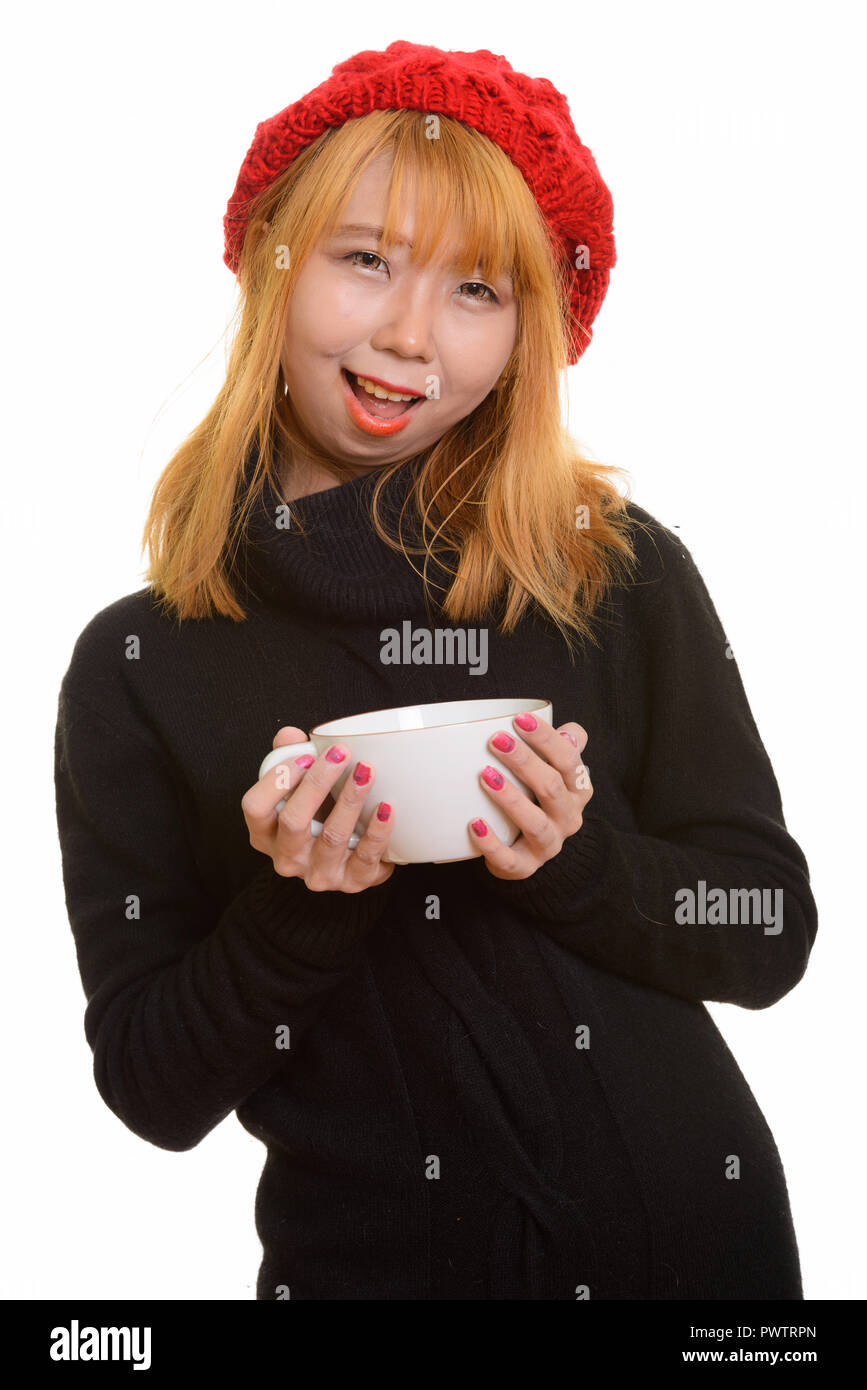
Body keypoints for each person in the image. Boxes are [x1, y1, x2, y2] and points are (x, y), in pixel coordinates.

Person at [54, 41, 818, 1300]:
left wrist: (576, 861)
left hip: (700, 1269)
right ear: (274, 263)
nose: (411, 336)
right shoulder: (139, 665)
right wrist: (302, 901)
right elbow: (153, 1088)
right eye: (366, 259)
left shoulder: (613, 571)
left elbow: (768, 929)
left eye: (476, 288)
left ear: (527, 331)